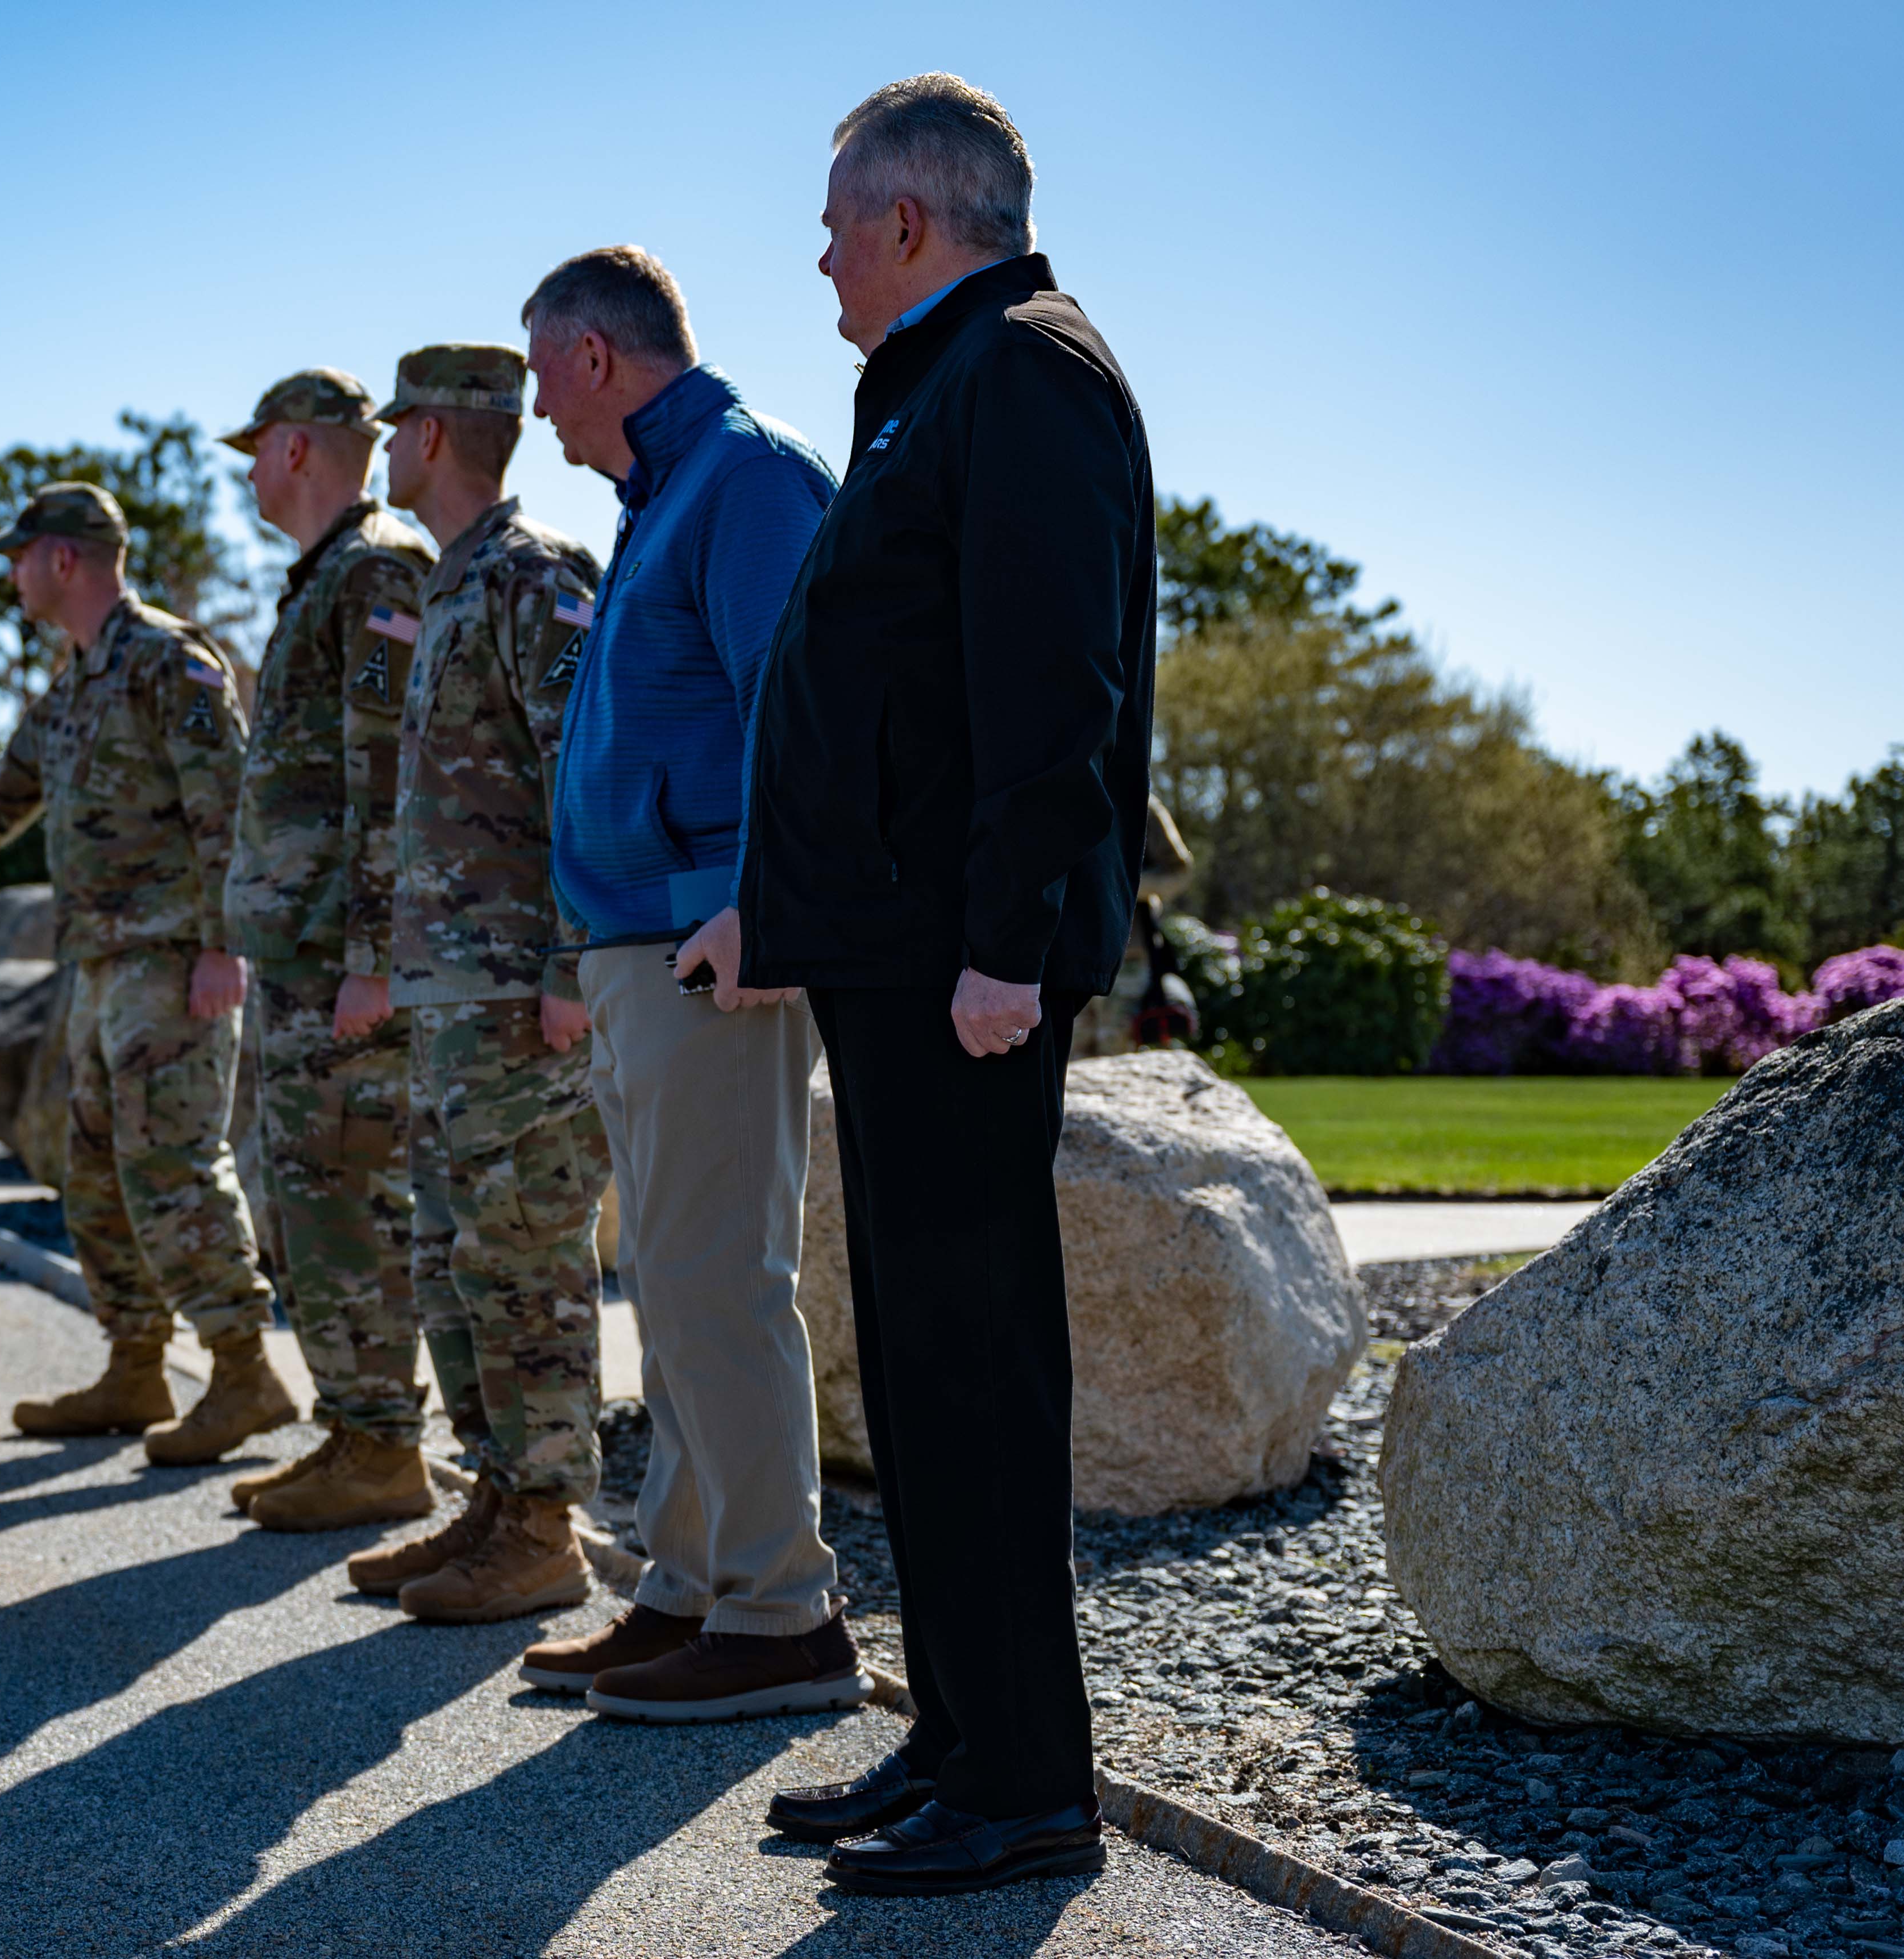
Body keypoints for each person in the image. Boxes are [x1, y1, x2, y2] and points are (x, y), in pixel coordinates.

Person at [737, 76, 1155, 1893]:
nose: (817, 253)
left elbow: (1053, 688)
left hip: (958, 971)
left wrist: (1002, 936)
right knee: (914, 1370)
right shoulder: (928, 383)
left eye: (835, 222)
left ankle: (1031, 1780)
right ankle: (960, 1732)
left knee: (978, 1369)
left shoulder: (1027, 369)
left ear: (909, 222)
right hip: (892, 957)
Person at [506, 246, 867, 1722]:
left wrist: (750, 902)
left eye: (540, 375)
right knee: (671, 1281)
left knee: (718, 1280)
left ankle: (783, 1615)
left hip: (707, 948)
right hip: (643, 945)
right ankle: (684, 1584)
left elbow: (805, 700)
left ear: (594, 356)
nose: (534, 411)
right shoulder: (662, 496)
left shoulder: (741, 475)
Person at [0, 483, 296, 1466]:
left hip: (171, 963)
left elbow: (227, 807)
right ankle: (134, 1364)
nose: (12, 574)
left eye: (20, 557)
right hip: (97, 968)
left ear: (64, 559)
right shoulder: (68, 689)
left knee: (174, 1167)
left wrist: (224, 947)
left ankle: (242, 1372)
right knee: (94, 1176)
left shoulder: (169, 661)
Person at [344, 345, 611, 1624]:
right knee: (455, 1255)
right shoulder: (451, 587)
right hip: (453, 992)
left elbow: (584, 768)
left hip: (519, 992)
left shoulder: (530, 576)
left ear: (435, 438)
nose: (386, 454)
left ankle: (549, 1524)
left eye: (398, 434)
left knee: (526, 1254)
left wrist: (570, 960)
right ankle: (499, 1499)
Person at [217, 370, 440, 1531]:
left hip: (340, 965)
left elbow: (389, 774)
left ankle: (383, 1446)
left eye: (258, 449)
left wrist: (370, 954)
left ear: (296, 449)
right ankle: (353, 1427)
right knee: (310, 1199)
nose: (250, 469)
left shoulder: (374, 568)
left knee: (348, 1195)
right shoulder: (327, 577)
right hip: (300, 956)